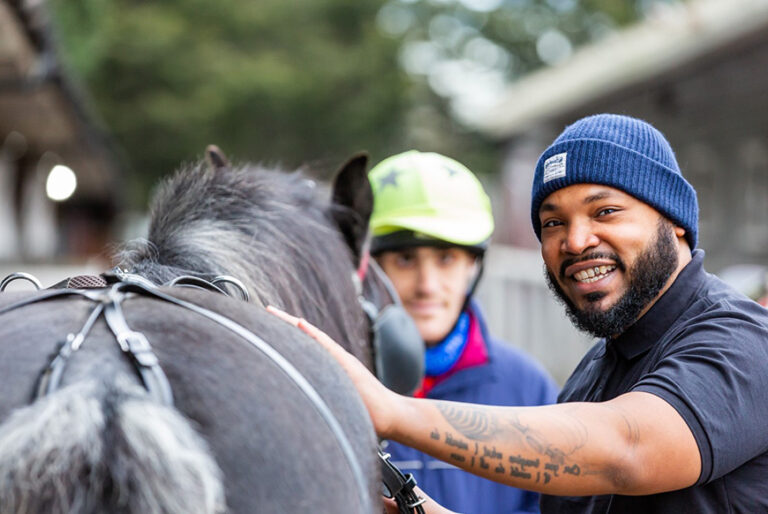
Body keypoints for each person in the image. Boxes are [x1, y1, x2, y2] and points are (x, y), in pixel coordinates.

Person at [269, 114, 768, 513]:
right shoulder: (591, 377)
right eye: (553, 223)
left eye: (605, 211)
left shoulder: (743, 342)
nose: (575, 241)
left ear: (675, 221)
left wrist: (394, 412)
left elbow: (628, 448)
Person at [367, 150, 559, 514]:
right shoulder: (335, 384)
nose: (427, 285)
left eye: (446, 259)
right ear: (369, 267)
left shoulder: (528, 390)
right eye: (405, 260)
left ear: (473, 265)